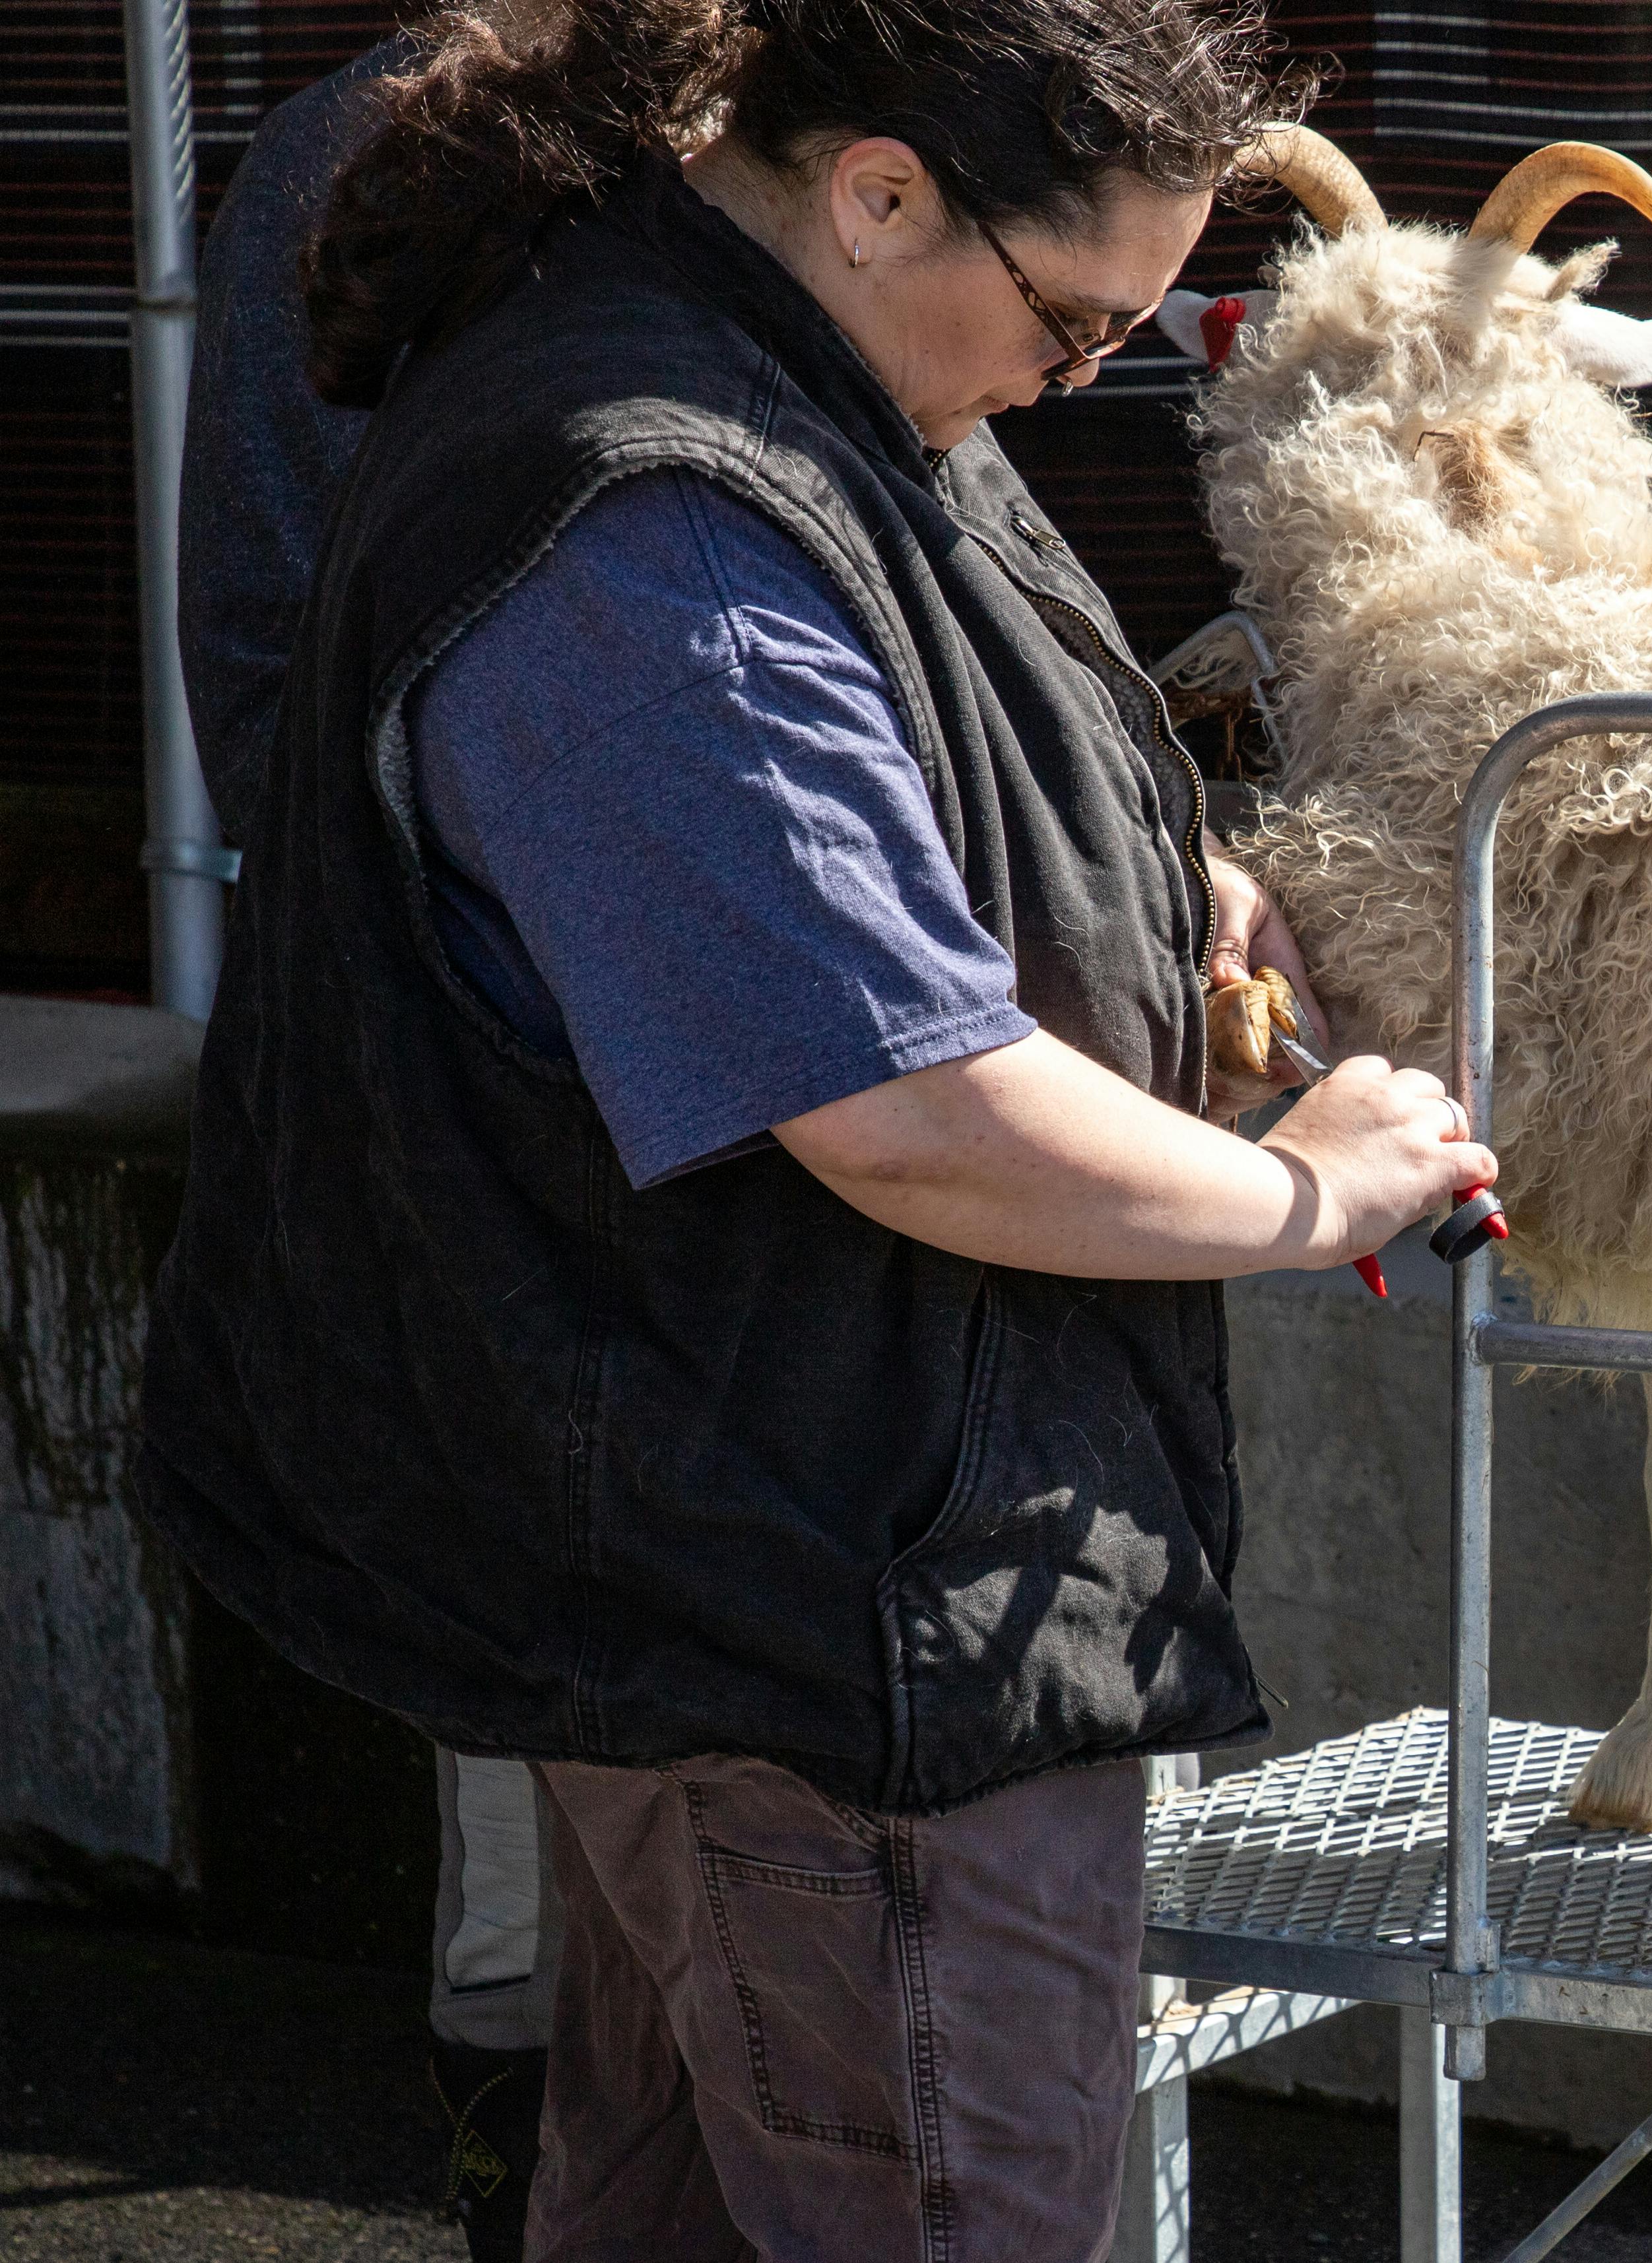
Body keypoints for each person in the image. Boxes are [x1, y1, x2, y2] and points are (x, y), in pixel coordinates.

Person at [139, 0, 1490, 2248]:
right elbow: (904, 1105)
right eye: (1073, 327)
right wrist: (1302, 1184)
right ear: (877, 188)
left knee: (668, 2200)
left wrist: (1177, 895)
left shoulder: (802, 345)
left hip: (769, 1562)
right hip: (822, 1608)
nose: (1071, 388)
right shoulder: (649, 511)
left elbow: (946, 747)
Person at [181, 38, 560, 2259]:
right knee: (539, 1722)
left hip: (507, 1012)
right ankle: (524, 2144)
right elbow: (281, 638)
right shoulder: (397, 145)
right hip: (474, 1032)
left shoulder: (739, 130)